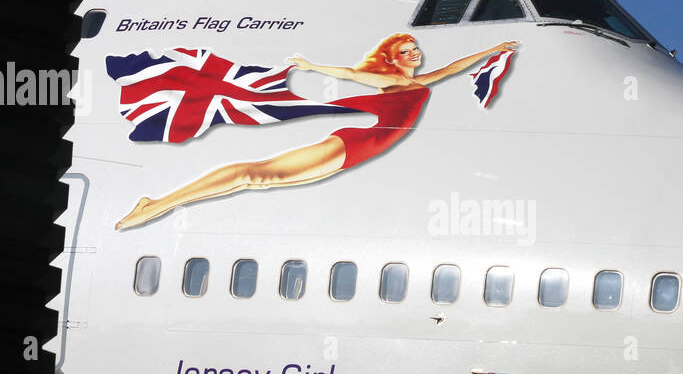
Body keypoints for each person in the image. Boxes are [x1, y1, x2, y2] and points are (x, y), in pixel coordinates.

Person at [114, 34, 518, 230]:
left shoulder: (419, 82)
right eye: (405, 50)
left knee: (260, 178)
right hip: (354, 143)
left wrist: (492, 50)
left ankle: (157, 203)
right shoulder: (389, 81)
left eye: (415, 48)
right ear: (392, 59)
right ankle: (156, 204)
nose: (414, 52)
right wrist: (310, 66)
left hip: (359, 152)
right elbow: (348, 73)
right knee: (254, 175)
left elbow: (454, 68)